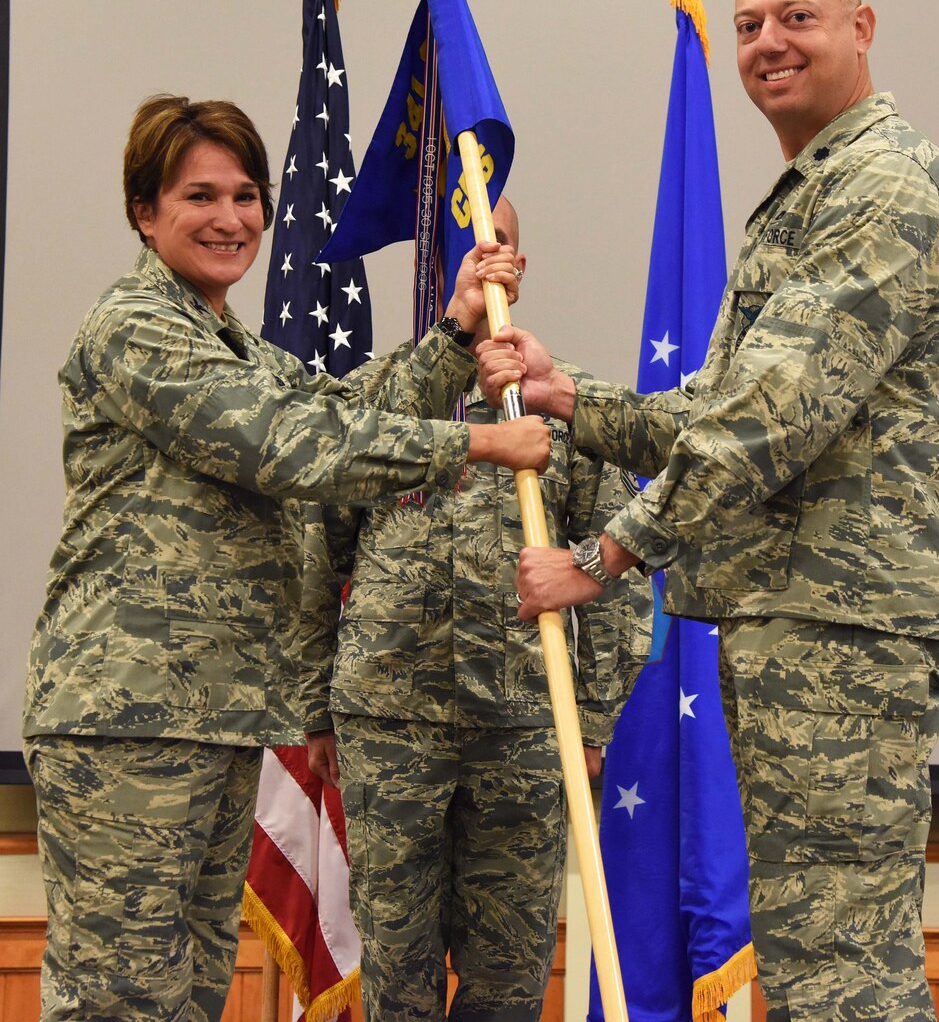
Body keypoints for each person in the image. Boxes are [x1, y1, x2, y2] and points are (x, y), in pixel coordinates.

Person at [478, 0, 939, 1021]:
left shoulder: (879, 188)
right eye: (750, 25)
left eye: (795, 18)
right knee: (820, 960)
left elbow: (765, 420)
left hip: (837, 630)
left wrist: (600, 557)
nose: (764, 44)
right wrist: (567, 394)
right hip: (800, 619)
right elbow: (720, 407)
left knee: (839, 970)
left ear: (861, 29)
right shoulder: (816, 188)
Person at [21, 94, 551, 1022]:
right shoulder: (137, 330)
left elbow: (341, 407)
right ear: (144, 213)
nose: (231, 219)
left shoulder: (233, 345)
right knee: (119, 1000)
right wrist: (474, 446)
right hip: (127, 720)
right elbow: (288, 444)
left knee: (186, 996)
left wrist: (462, 326)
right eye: (199, 196)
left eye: (246, 195)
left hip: (214, 717)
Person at [303, 197, 653, 1022]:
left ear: (518, 270)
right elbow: (322, 543)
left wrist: (593, 721)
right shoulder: (384, 393)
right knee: (399, 982)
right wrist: (314, 709)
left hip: (526, 731)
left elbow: (621, 575)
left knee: (507, 986)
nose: (479, 261)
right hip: (391, 725)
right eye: (461, 248)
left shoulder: (563, 408)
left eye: (494, 248)